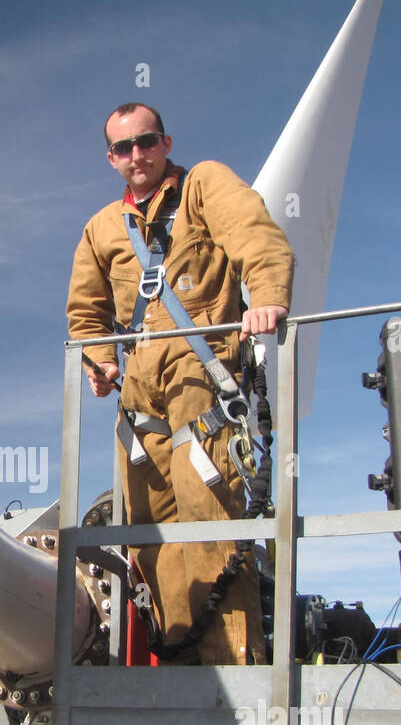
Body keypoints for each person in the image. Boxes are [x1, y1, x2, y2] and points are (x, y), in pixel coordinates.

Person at [66, 102, 294, 665]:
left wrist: (266, 299)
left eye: (146, 142)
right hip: (140, 402)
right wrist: (100, 363)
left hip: (203, 379)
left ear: (166, 142)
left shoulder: (203, 186)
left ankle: (233, 669)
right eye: (124, 148)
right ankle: (184, 667)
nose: (136, 155)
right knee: (150, 534)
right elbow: (85, 315)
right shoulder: (101, 229)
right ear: (111, 158)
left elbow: (254, 235)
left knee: (210, 518)